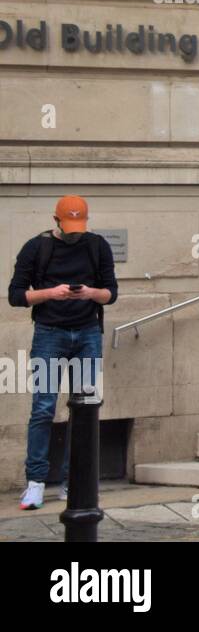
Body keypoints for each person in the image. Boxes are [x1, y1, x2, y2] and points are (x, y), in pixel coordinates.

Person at [8, 196, 117, 510]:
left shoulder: (97, 246)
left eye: (78, 227)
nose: (74, 233)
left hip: (87, 335)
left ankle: (75, 482)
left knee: (84, 410)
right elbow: (16, 296)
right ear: (56, 221)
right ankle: (36, 483)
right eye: (69, 227)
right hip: (49, 335)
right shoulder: (36, 248)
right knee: (43, 408)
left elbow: (110, 293)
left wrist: (89, 293)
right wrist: (50, 294)